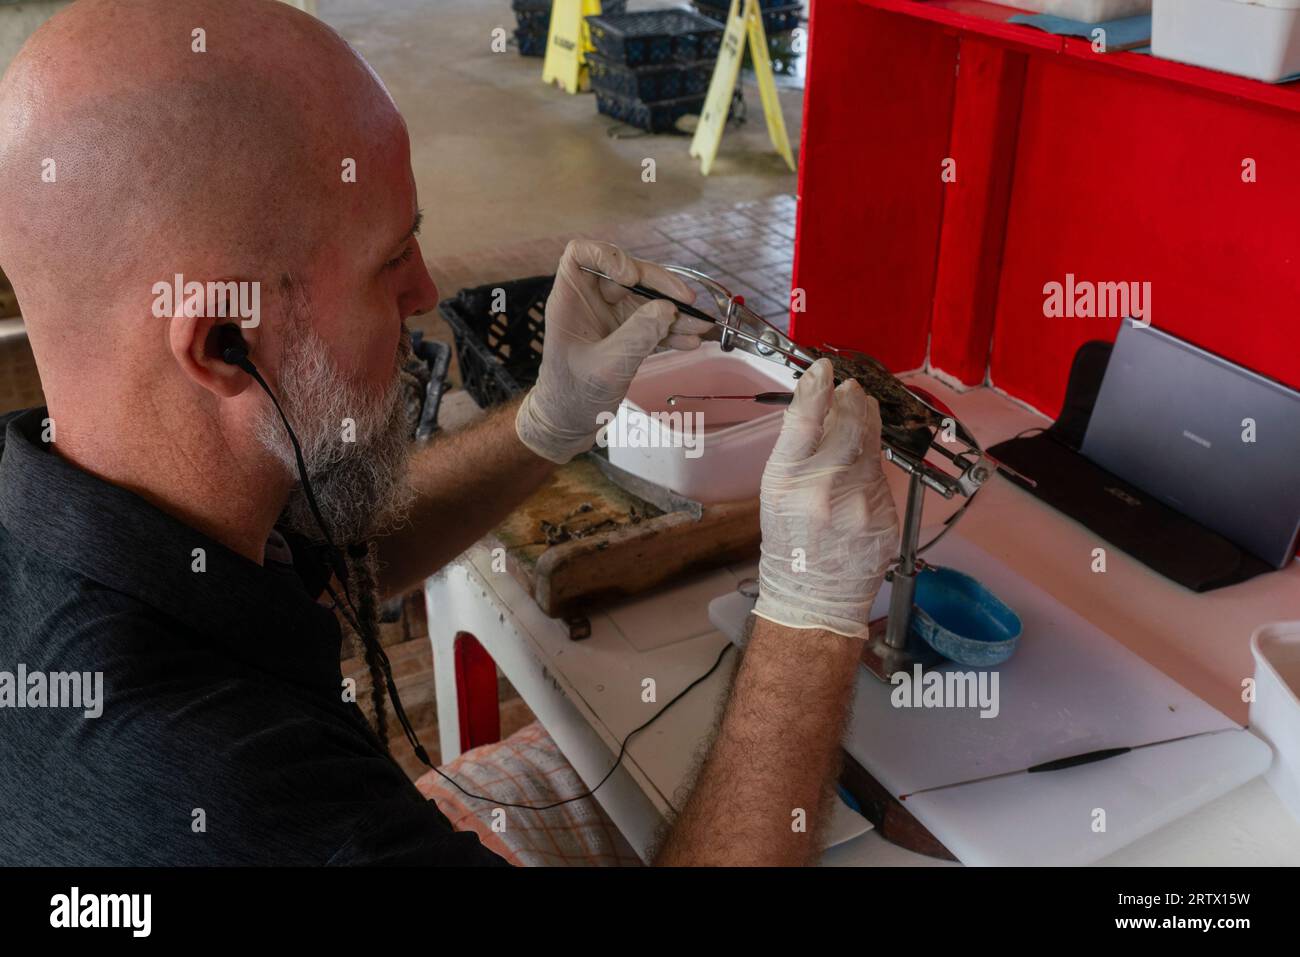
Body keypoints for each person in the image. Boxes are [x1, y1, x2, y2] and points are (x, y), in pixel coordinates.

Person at [0, 0, 898, 866]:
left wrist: (551, 421)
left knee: (595, 769)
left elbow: (340, 546)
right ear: (223, 346)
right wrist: (810, 615)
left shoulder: (109, 474)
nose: (426, 292)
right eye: (390, 261)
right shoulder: (243, 802)